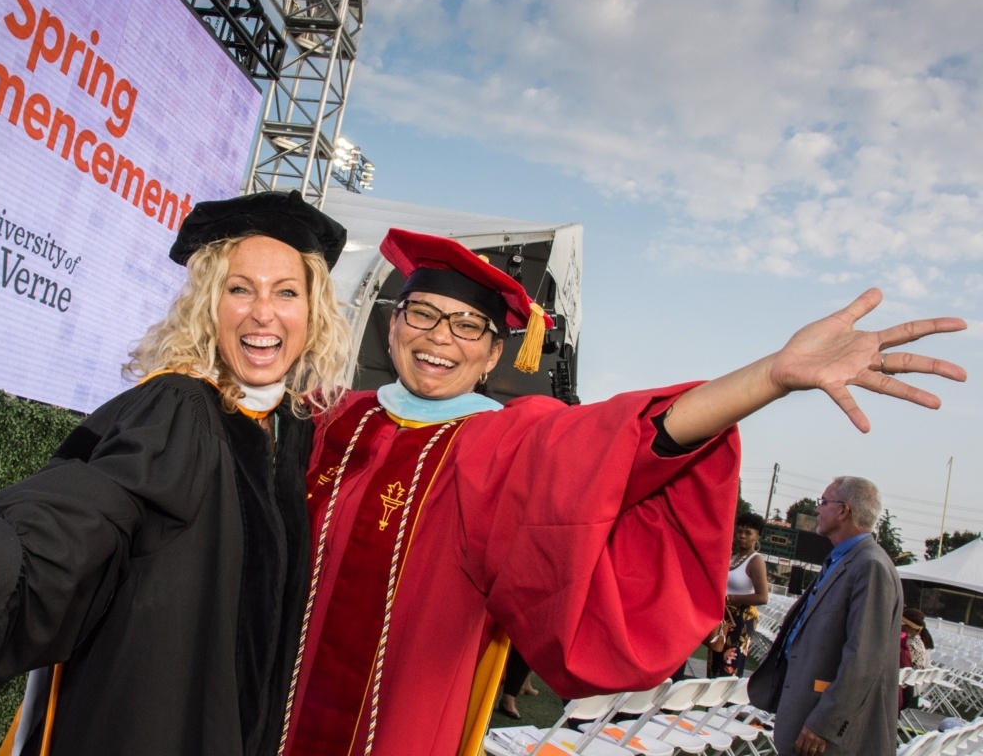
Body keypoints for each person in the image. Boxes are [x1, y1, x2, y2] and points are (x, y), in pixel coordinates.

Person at [277, 227, 967, 756]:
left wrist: (771, 376)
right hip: (269, 684)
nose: (439, 338)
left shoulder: (503, 443)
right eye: (422, 314)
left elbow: (632, 440)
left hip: (405, 703)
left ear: (493, 354)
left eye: (467, 326)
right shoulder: (328, 419)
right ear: (392, 324)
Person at [0, 190, 352, 756]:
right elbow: (93, 506)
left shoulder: (285, 429)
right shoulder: (180, 407)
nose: (263, 311)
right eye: (240, 289)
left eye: (286, 291)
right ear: (210, 304)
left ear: (312, 313)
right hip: (150, 717)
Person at [747, 476, 903, 756]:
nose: (817, 509)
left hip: (829, 737)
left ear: (843, 510)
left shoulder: (870, 566)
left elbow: (863, 659)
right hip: (806, 711)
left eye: (823, 502)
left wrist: (825, 724)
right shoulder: (843, 560)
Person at [709, 511, 770, 677]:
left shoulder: (756, 561)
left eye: (748, 533)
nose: (742, 536)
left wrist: (732, 598)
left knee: (729, 668)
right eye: (739, 531)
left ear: (757, 536)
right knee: (715, 662)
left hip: (741, 619)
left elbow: (763, 597)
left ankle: (725, 695)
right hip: (724, 618)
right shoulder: (733, 558)